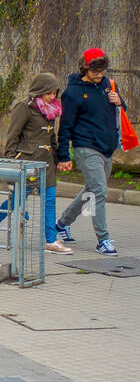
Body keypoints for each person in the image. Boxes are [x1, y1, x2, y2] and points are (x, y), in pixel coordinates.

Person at [0, 72, 70, 254]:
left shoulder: (52, 110)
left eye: (55, 93)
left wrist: (57, 159)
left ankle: (51, 241)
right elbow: (13, 135)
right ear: (39, 91)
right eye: (49, 93)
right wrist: (12, 161)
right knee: (16, 200)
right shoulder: (25, 108)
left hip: (47, 164)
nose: (52, 97)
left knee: (50, 201)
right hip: (28, 162)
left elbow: (51, 137)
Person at [55, 48, 127, 256]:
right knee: (99, 192)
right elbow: (65, 126)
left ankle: (62, 224)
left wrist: (119, 102)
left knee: (91, 190)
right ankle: (103, 240)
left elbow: (121, 112)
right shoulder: (73, 93)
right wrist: (63, 156)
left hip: (107, 148)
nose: (100, 74)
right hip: (86, 147)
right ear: (85, 68)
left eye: (102, 69)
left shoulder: (108, 85)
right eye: (95, 70)